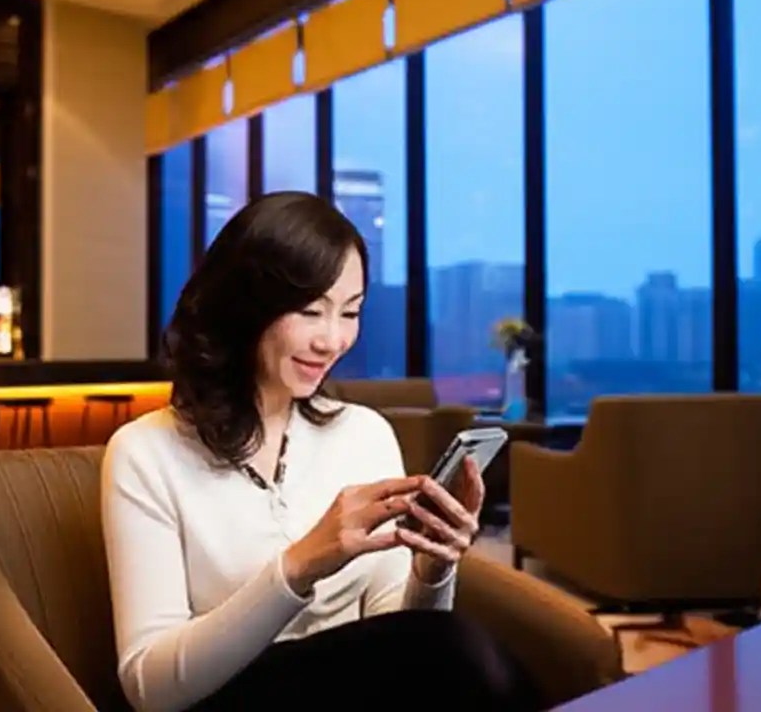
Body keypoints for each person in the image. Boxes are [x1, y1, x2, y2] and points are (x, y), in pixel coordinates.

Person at [101, 191, 539, 712]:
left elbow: (398, 636)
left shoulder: (364, 434)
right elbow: (149, 688)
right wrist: (301, 565)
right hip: (222, 699)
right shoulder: (144, 454)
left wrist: (430, 569)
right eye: (311, 311)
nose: (332, 340)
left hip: (357, 696)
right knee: (459, 651)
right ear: (244, 306)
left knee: (453, 652)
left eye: (349, 313)